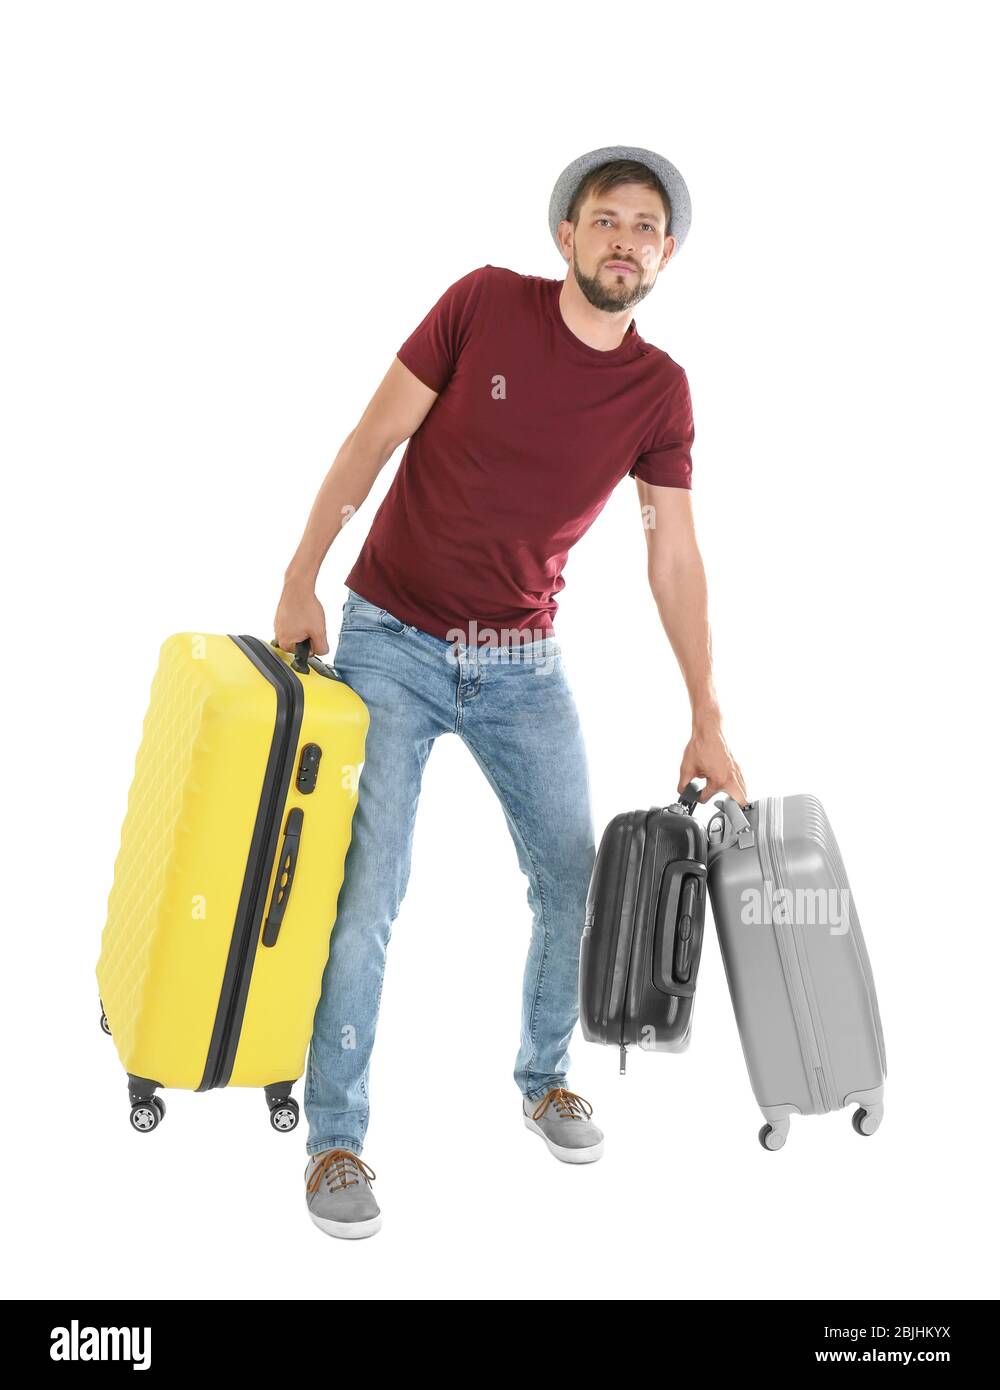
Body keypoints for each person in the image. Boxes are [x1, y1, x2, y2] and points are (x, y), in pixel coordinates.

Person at [274, 145, 748, 1240]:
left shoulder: (658, 390)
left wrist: (706, 712)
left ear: (664, 254)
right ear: (566, 236)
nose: (625, 239)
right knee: (368, 896)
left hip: (519, 660)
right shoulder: (482, 304)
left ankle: (543, 1078)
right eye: (605, 219)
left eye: (645, 226)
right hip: (390, 636)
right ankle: (336, 1138)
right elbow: (371, 438)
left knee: (573, 884)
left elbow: (670, 555)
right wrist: (300, 574)